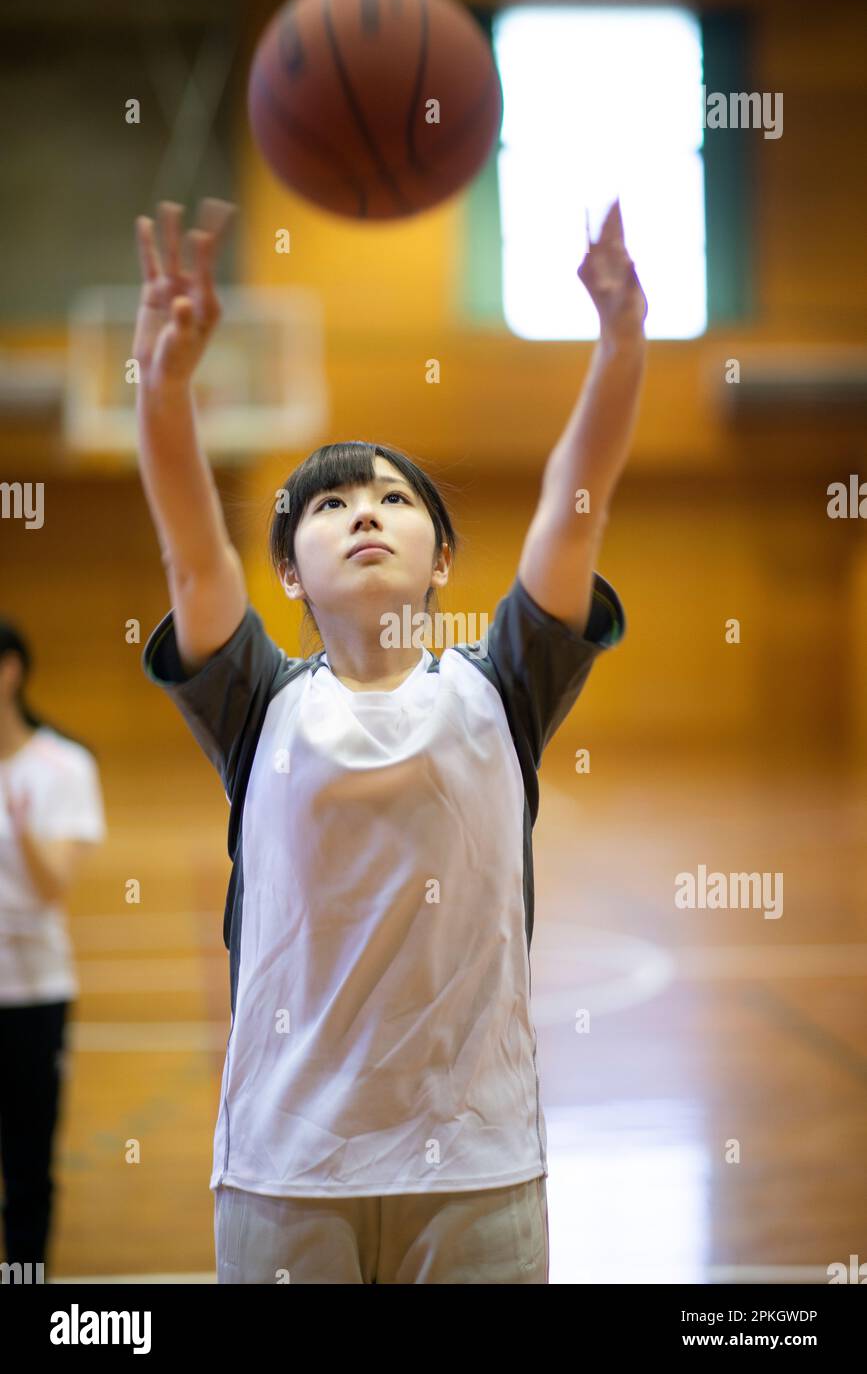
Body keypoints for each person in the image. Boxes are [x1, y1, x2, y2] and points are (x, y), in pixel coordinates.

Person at [134, 196, 646, 1284]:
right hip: (286, 1173)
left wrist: (621, 345)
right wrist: (167, 389)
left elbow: (577, 502)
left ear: (441, 556)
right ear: (286, 574)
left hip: (478, 1169)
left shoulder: (504, 684)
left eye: (393, 498)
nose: (362, 513)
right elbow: (189, 554)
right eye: (327, 507)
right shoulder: (258, 700)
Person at [0, 620, 106, 1279]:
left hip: (34, 994)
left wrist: (18, 820)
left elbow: (51, 888)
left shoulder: (63, 765)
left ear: (11, 670)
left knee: (28, 1165)